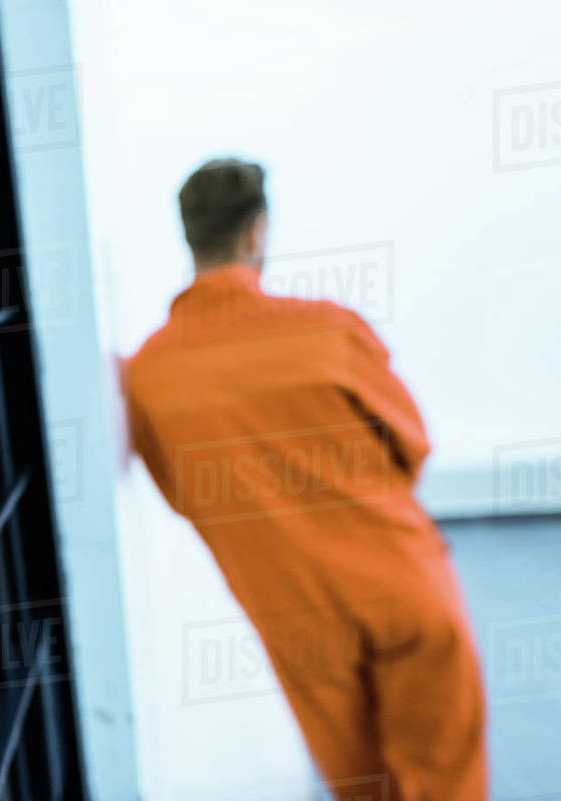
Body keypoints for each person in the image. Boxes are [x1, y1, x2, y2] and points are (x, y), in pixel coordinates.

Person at [123, 159, 487, 801]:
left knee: (363, 788)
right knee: (446, 783)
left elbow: (185, 497)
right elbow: (411, 445)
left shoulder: (147, 375)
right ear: (256, 232)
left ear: (190, 236)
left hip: (296, 618)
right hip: (404, 586)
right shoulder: (329, 328)